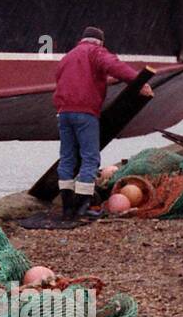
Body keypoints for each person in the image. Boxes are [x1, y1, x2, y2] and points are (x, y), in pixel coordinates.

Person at [54, 26, 154, 219]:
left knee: (67, 158)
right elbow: (115, 66)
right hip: (85, 113)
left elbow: (59, 79)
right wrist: (139, 82)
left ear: (82, 39)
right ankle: (82, 206)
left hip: (64, 113)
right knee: (90, 158)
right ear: (100, 41)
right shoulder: (96, 52)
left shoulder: (67, 57)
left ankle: (67, 207)